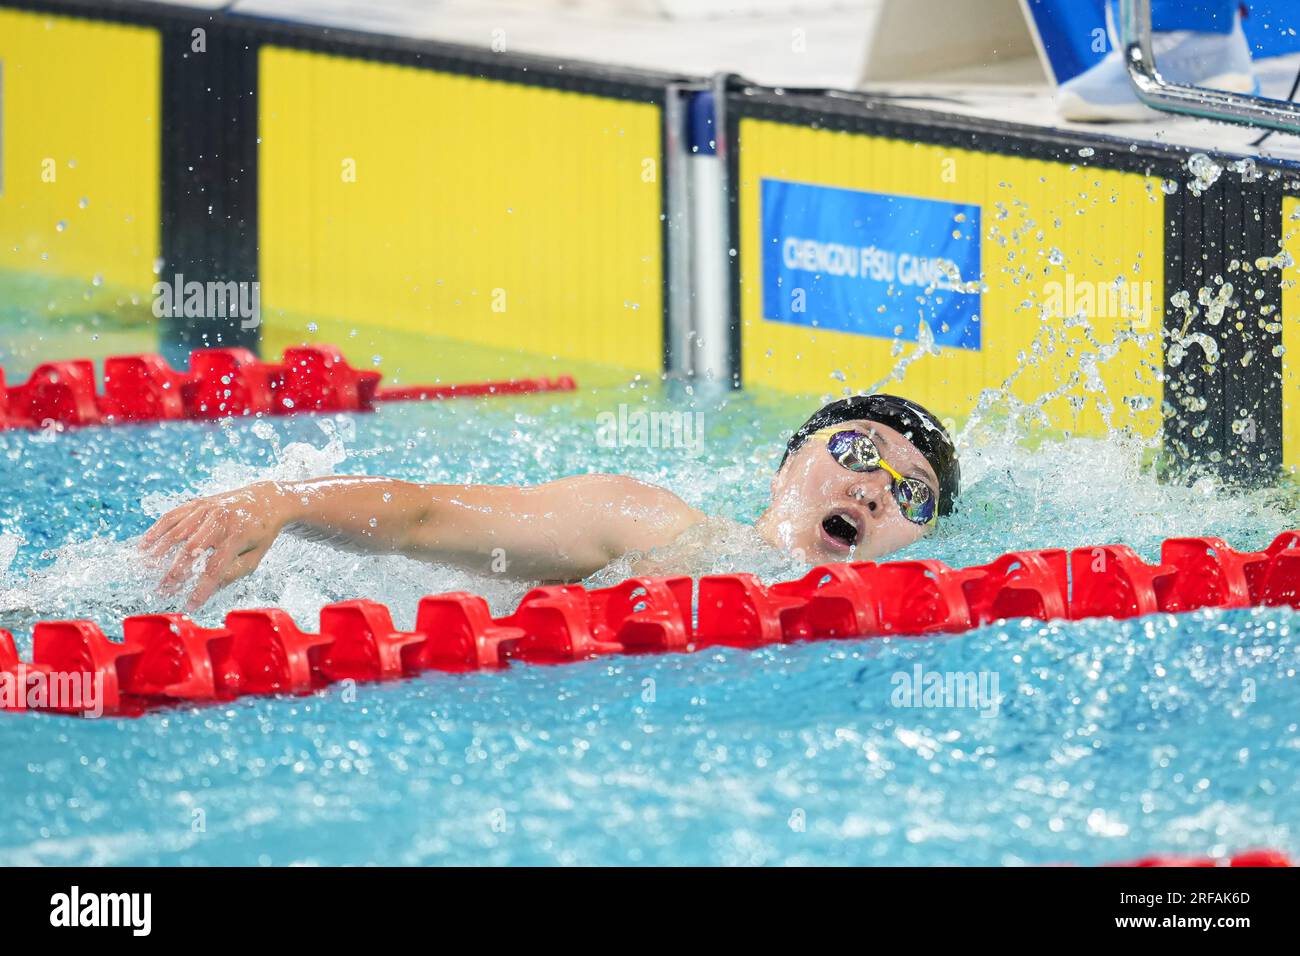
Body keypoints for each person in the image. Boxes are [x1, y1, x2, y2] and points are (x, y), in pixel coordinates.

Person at [140, 394, 961, 609]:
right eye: (858, 451)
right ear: (784, 473)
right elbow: (428, 515)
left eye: (909, 495)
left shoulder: (914, 616)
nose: (871, 487)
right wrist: (280, 501)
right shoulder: (648, 522)